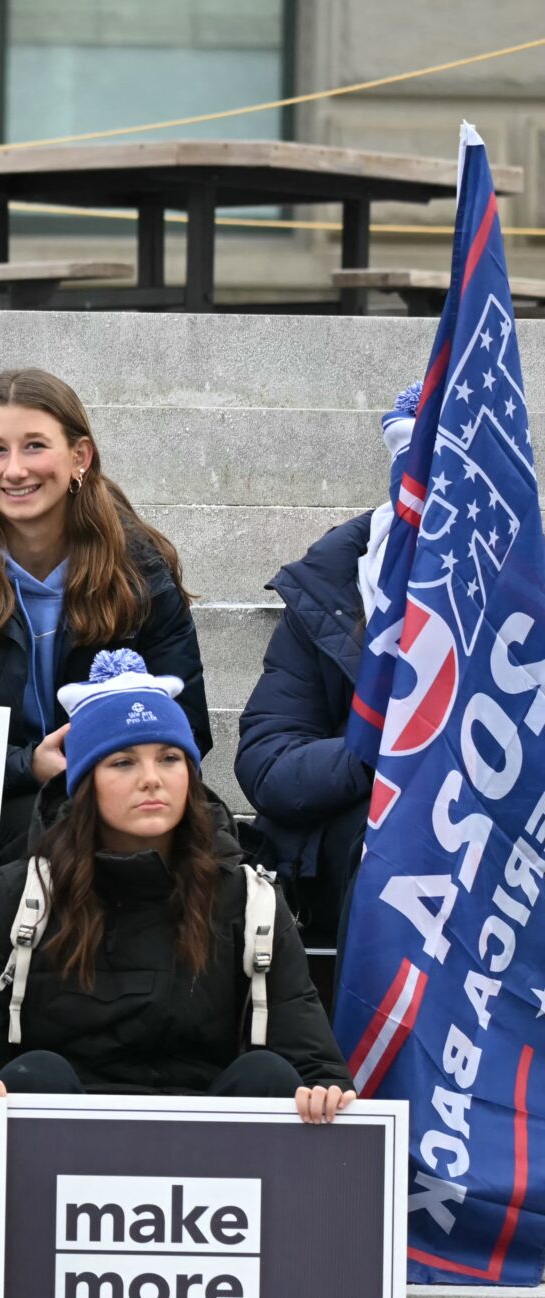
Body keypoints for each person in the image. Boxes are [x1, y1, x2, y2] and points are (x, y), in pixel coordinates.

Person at [0, 650, 356, 1121]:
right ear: (85, 782)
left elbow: (318, 1069)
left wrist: (324, 1095)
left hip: (212, 1167)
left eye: (169, 758)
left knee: (267, 1075)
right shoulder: (25, 894)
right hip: (55, 1158)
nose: (151, 780)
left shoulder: (248, 899)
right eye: (123, 762)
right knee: (34, 1075)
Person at [0, 367, 209, 865]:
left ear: (80, 456)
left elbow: (186, 728)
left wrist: (105, 764)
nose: (14, 470)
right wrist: (27, 766)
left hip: (112, 791)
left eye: (35, 445)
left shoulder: (139, 569)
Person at [236, 387, 414, 945]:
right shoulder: (334, 588)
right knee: (402, 836)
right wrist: (383, 748)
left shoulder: (524, 594)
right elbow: (267, 764)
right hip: (353, 838)